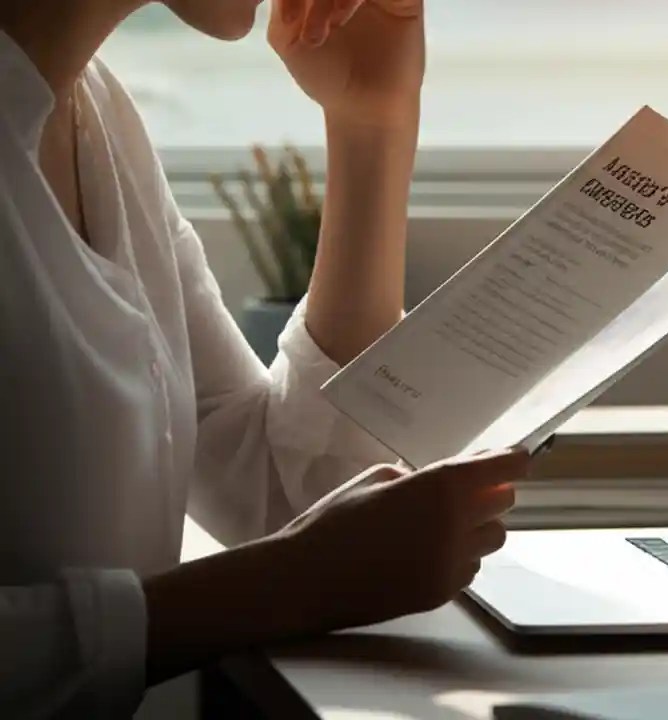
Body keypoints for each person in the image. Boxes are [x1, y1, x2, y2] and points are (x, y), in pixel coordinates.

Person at [0, 0, 529, 716]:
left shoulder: (98, 115)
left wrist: (371, 121)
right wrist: (287, 584)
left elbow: (291, 496)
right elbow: (298, 557)